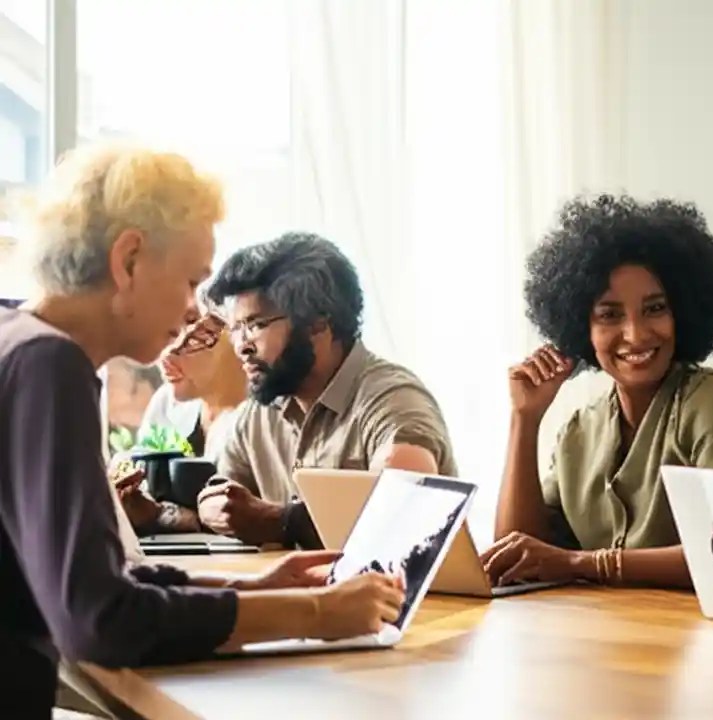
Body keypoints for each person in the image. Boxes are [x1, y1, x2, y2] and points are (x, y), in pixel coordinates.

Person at [1, 142, 405, 717]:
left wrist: (257, 588)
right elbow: (98, 619)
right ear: (129, 260)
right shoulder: (48, 367)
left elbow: (98, 581)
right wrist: (315, 615)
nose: (196, 312)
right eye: (192, 282)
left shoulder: (14, 340)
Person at [481, 194, 713, 589]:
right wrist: (525, 419)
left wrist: (583, 563)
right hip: (608, 640)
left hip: (700, 643)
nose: (635, 335)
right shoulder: (579, 433)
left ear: (683, 312)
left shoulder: (710, 403)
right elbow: (515, 556)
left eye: (654, 309)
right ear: (581, 327)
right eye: (609, 315)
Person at [197, 232, 457, 549]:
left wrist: (282, 523)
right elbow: (227, 496)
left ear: (318, 323)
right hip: (302, 596)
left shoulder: (393, 400)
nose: (241, 347)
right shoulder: (261, 409)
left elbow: (402, 512)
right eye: (235, 328)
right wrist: (213, 507)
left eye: (256, 325)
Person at [113, 303, 247, 535]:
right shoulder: (166, 405)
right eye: (166, 339)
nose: (166, 357)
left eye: (189, 341)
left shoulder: (263, 417)